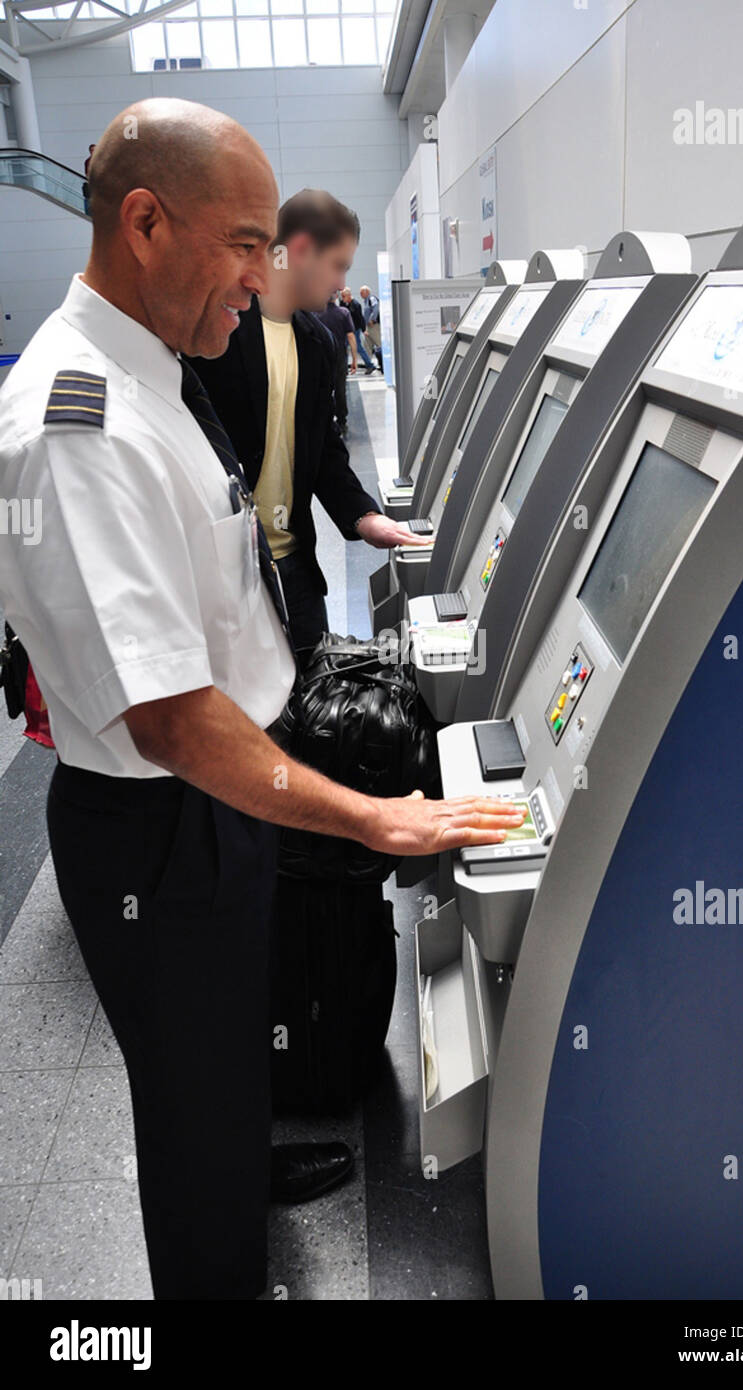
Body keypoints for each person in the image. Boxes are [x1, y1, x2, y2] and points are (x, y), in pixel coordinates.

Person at [0, 96, 525, 1302]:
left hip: (214, 797)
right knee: (188, 1109)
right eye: (242, 240)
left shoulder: (154, 370)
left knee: (230, 1047)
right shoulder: (78, 424)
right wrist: (373, 816)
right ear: (144, 222)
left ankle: (243, 1162)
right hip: (159, 828)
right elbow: (170, 719)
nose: (263, 270)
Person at [189, 188, 431, 662]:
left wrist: (366, 518)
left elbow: (323, 454)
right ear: (300, 251)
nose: (342, 280)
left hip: (294, 567)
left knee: (314, 709)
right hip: (221, 573)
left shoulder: (316, 342)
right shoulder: (219, 330)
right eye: (338, 265)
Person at [316, 290, 356, 435]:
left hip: (321, 357)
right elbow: (351, 337)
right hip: (339, 356)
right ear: (337, 297)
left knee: (323, 389)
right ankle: (341, 420)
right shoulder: (343, 313)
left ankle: (325, 421)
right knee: (340, 390)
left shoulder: (316, 313)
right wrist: (354, 360)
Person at [341, 285, 376, 373]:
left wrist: (364, 330)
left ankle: (370, 365)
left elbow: (360, 318)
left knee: (358, 348)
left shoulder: (356, 305)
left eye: (344, 296)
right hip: (346, 330)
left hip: (355, 330)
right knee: (344, 348)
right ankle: (344, 368)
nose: (342, 298)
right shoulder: (343, 303)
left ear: (349, 295)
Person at [359, 284, 383, 370]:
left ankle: (383, 364)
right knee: (367, 345)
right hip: (368, 326)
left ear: (366, 292)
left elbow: (376, 308)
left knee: (378, 343)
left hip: (374, 325)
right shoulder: (366, 300)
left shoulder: (371, 298)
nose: (360, 294)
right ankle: (368, 363)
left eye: (361, 292)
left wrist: (372, 319)